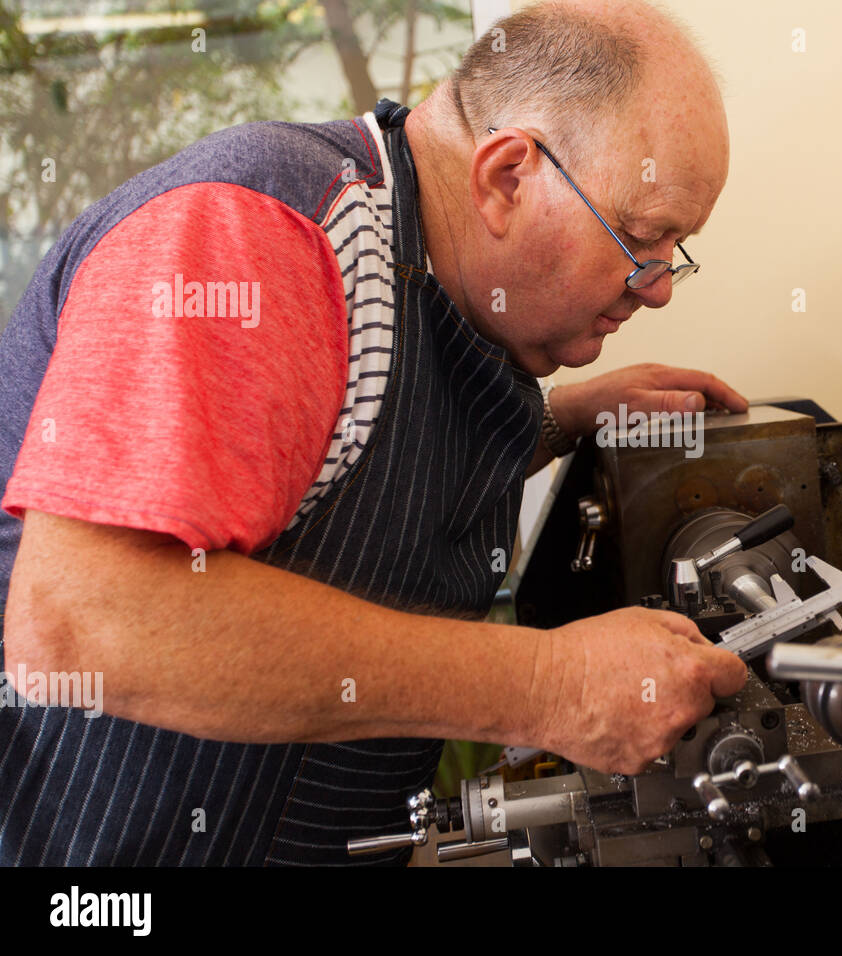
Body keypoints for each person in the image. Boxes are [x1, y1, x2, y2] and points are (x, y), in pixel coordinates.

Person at [0, 0, 748, 866]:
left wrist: (552, 421)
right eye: (644, 240)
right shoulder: (264, 229)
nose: (655, 289)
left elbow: (335, 458)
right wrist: (550, 685)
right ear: (508, 176)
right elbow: (89, 615)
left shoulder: (441, 273)